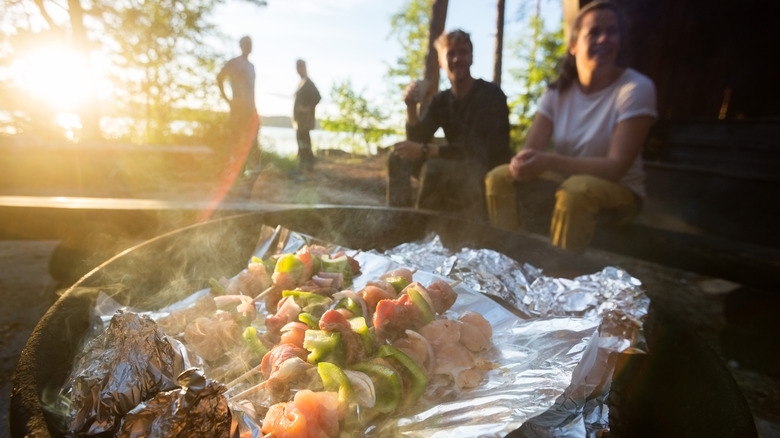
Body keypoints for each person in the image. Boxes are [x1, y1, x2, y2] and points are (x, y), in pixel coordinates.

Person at [485, 0, 657, 252]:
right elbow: (531, 149)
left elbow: (615, 168)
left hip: (621, 192)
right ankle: (508, 255)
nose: (604, 39)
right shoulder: (557, 93)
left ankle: (562, 274)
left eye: (612, 31)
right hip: (568, 181)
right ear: (574, 45)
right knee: (498, 176)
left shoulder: (635, 88)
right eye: (594, 32)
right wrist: (522, 162)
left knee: (576, 191)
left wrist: (549, 161)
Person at [386, 29, 511, 221]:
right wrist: (411, 107)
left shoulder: (491, 95)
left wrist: (426, 150)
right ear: (441, 62)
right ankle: (396, 222)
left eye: (463, 52)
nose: (457, 59)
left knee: (435, 167)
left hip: (486, 168)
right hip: (454, 162)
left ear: (471, 58)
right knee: (397, 156)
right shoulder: (442, 100)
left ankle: (423, 230)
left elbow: (479, 150)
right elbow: (416, 141)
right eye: (450, 54)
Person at [217, 35, 261, 176]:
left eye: (251, 43)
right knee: (236, 139)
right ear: (241, 45)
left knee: (252, 140)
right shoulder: (234, 63)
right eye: (246, 43)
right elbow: (219, 78)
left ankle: (251, 169)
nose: (249, 46)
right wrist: (228, 99)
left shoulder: (251, 66)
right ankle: (233, 171)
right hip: (238, 109)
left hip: (251, 109)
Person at [293, 59, 321, 175]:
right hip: (300, 122)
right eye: (297, 67)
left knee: (305, 145)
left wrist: (307, 108)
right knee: (302, 144)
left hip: (305, 121)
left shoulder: (309, 82)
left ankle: (307, 171)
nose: (298, 69)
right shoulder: (302, 82)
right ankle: (302, 170)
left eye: (300, 66)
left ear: (304, 67)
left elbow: (318, 97)